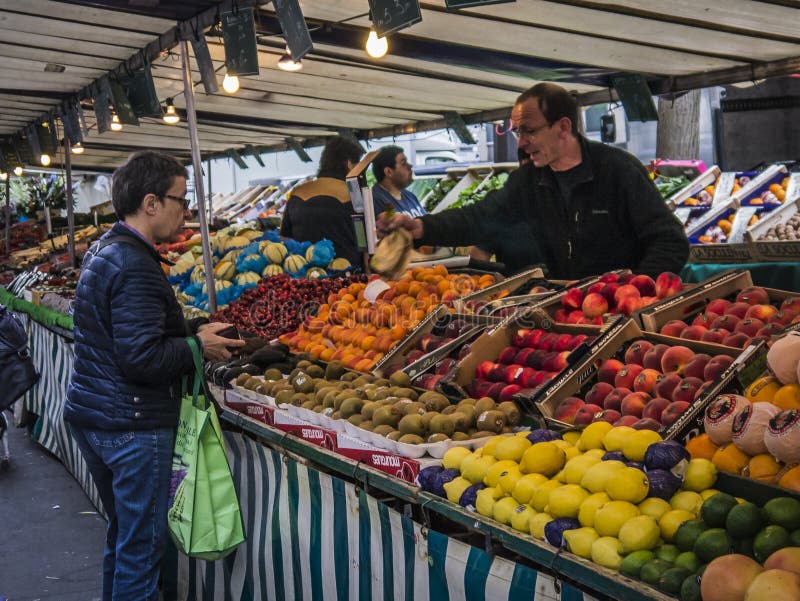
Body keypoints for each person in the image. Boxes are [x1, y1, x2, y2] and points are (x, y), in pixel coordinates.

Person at [64, 151, 244, 601]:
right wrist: (197, 346)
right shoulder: (135, 265)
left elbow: (120, 331)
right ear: (150, 202)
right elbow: (140, 358)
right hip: (132, 426)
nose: (185, 211)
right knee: (141, 553)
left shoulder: (105, 249)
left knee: (124, 541)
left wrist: (186, 329)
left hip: (97, 416)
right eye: (180, 200)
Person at [378, 83, 689, 279]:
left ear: (563, 127)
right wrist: (421, 227)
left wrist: (640, 286)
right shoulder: (530, 180)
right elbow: (481, 217)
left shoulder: (618, 170)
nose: (521, 142)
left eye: (529, 131)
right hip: (572, 307)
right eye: (517, 132)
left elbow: (670, 240)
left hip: (624, 311)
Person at [280, 135, 365, 266]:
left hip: (306, 277)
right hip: (346, 277)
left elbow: (285, 238)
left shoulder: (297, 193)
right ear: (348, 164)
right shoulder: (354, 195)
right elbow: (363, 241)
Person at [371, 145, 426, 218]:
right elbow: (391, 224)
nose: (410, 166)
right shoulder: (379, 200)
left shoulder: (410, 196)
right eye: (403, 163)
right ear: (388, 172)